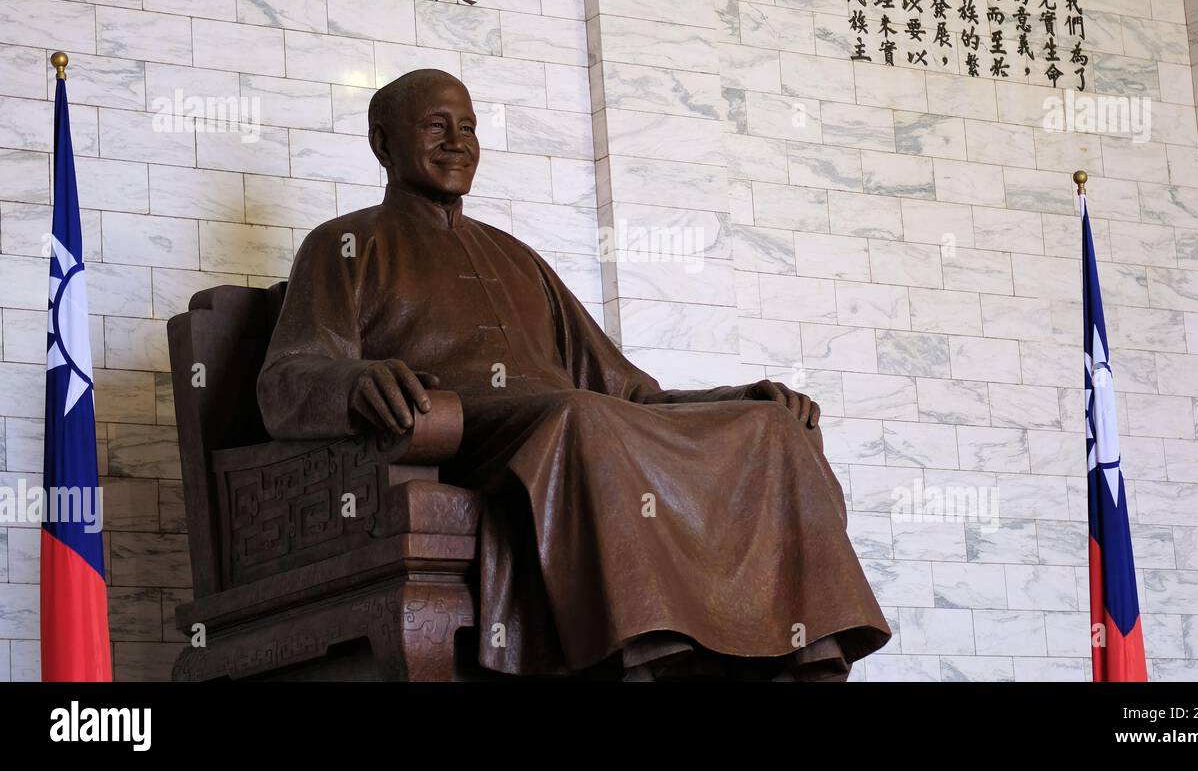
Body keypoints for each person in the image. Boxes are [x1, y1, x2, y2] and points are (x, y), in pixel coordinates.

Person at [257, 69, 891, 680]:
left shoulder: (515, 255)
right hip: (464, 434)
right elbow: (286, 378)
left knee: (770, 428)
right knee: (581, 415)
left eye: (469, 127)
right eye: (435, 126)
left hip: (571, 429)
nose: (458, 142)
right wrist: (357, 382)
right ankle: (649, 651)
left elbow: (629, 391)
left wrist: (734, 398)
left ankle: (806, 653)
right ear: (382, 143)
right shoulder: (344, 244)